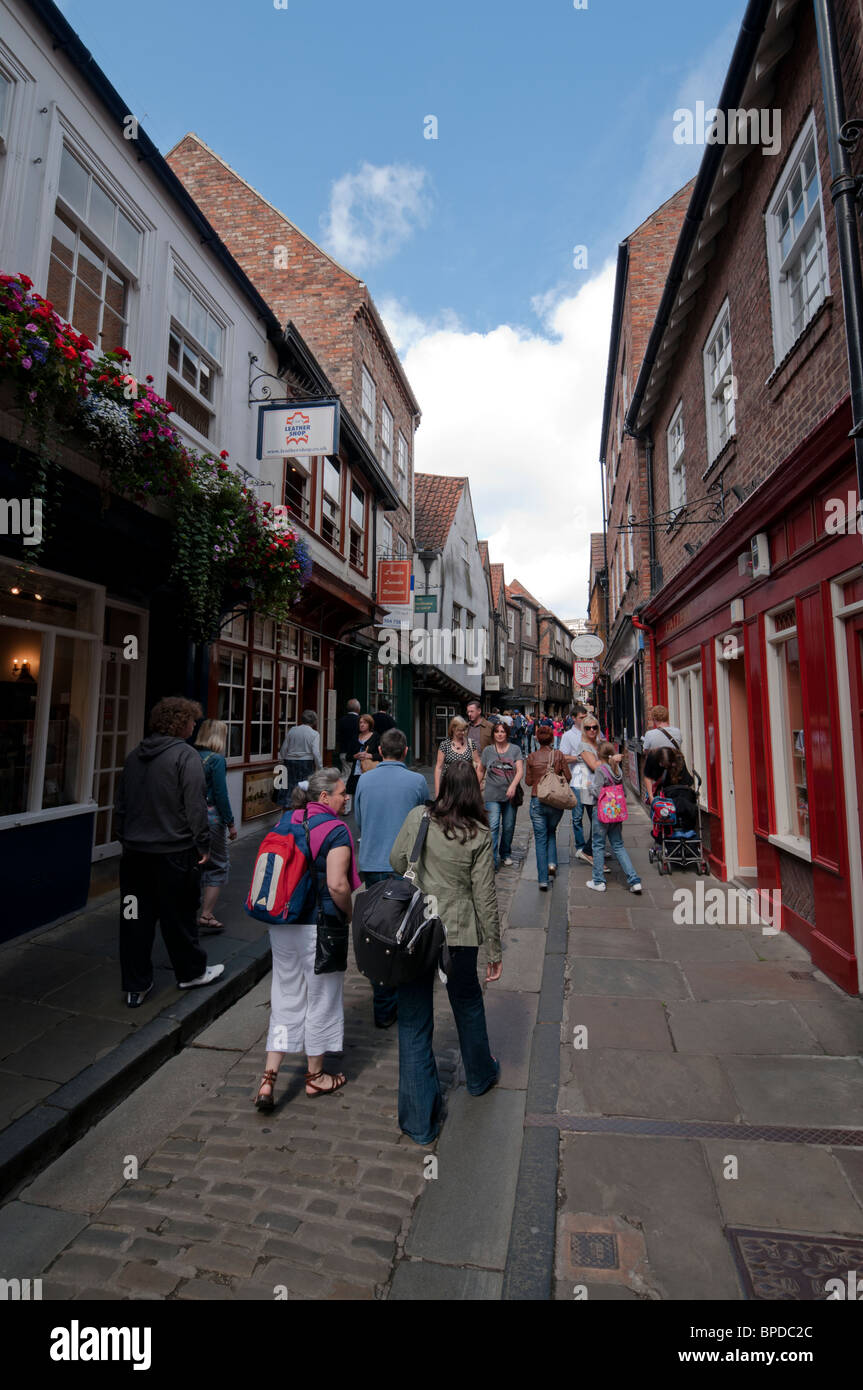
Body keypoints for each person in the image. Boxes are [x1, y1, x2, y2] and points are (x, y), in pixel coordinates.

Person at [389, 761, 502, 1145]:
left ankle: (420, 1122)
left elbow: (395, 860)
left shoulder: (419, 817)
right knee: (467, 1004)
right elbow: (484, 894)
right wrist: (494, 948)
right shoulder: (480, 834)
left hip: (418, 928)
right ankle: (480, 1075)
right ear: (472, 789)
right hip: (459, 931)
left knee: (414, 1018)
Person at [254, 769, 360, 1110]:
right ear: (325, 796)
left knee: (285, 996)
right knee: (322, 998)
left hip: (283, 923)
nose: (347, 798)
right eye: (342, 792)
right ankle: (315, 1076)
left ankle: (269, 1079)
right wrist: (349, 914)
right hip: (320, 925)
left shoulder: (288, 820)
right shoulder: (336, 829)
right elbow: (337, 885)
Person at [115, 697, 224, 1008]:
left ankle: (136, 985)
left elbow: (121, 802)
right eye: (192, 721)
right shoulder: (185, 756)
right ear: (181, 723)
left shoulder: (135, 756)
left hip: (135, 856)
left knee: (134, 918)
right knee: (179, 917)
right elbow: (195, 805)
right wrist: (202, 843)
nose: (194, 726)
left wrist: (124, 837)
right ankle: (191, 972)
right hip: (175, 852)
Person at [354, 728, 429, 1029]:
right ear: (406, 751)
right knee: (405, 931)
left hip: (372, 863)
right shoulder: (417, 781)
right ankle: (401, 996)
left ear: (381, 752)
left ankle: (383, 1002)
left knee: (376, 932)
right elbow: (424, 820)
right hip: (405, 867)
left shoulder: (365, 780)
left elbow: (359, 819)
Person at [194, 718, 237, 932]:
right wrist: (230, 823)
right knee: (219, 864)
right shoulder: (217, 760)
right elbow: (221, 794)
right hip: (211, 819)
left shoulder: (191, 755)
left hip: (190, 818)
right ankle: (207, 914)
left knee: (197, 862)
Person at [587, 741, 642, 894]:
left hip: (602, 812)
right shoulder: (617, 771)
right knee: (618, 846)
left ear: (599, 755)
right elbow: (623, 793)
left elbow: (598, 793)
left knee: (598, 845)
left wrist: (589, 786)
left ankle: (598, 881)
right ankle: (634, 880)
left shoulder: (600, 770)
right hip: (616, 812)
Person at [525, 723, 571, 890]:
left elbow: (528, 782)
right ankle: (552, 864)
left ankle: (543, 879)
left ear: (536, 739)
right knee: (551, 831)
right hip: (555, 802)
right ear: (552, 738)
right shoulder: (558, 755)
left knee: (540, 839)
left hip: (538, 800)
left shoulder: (531, 757)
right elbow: (568, 776)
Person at [481, 718, 524, 869]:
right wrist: (474, 786)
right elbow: (481, 770)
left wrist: (513, 786)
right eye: (497, 732)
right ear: (493, 734)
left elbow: (520, 771)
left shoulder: (515, 750)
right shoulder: (488, 751)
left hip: (510, 795)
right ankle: (493, 859)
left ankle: (505, 853)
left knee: (508, 826)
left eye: (502, 732)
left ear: (507, 734)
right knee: (493, 826)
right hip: (492, 794)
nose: (500, 734)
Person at [560, 703, 590, 863]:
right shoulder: (568, 736)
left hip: (593, 779)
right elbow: (563, 757)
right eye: (581, 718)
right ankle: (580, 846)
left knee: (596, 816)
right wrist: (580, 757)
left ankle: (592, 847)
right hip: (577, 779)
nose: (585, 720)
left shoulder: (592, 730)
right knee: (577, 816)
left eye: (585, 717)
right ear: (573, 718)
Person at [277, 709, 322, 808]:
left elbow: (283, 749)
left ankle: (286, 815)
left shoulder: (292, 730)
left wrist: (284, 759)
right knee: (304, 790)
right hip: (306, 763)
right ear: (314, 721)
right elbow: (315, 752)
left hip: (289, 762)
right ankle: (300, 815)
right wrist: (319, 767)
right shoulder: (314, 734)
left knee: (288, 788)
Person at [642, 705, 685, 799]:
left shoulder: (650, 734)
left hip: (658, 775)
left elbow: (646, 752)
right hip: (675, 773)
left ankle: (651, 796)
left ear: (654, 718)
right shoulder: (677, 732)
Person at [434, 715, 483, 796]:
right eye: (460, 730)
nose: (463, 733)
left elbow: (478, 763)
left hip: (467, 787)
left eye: (464, 730)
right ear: (453, 729)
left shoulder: (470, 743)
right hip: (449, 786)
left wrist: (476, 783)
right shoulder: (445, 744)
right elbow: (438, 768)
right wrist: (437, 791)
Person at [346, 713, 381, 797]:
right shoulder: (355, 737)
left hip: (370, 772)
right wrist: (355, 756)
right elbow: (348, 757)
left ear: (370, 724)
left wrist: (370, 756)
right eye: (360, 723)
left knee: (368, 796)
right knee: (356, 797)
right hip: (356, 774)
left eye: (364, 723)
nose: (361, 725)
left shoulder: (376, 737)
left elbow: (382, 755)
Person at [336, 698, 361, 785]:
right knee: (356, 777)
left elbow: (338, 736)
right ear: (358, 709)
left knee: (345, 776)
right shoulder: (361, 721)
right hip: (356, 754)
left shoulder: (341, 720)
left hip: (343, 752)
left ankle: (342, 794)